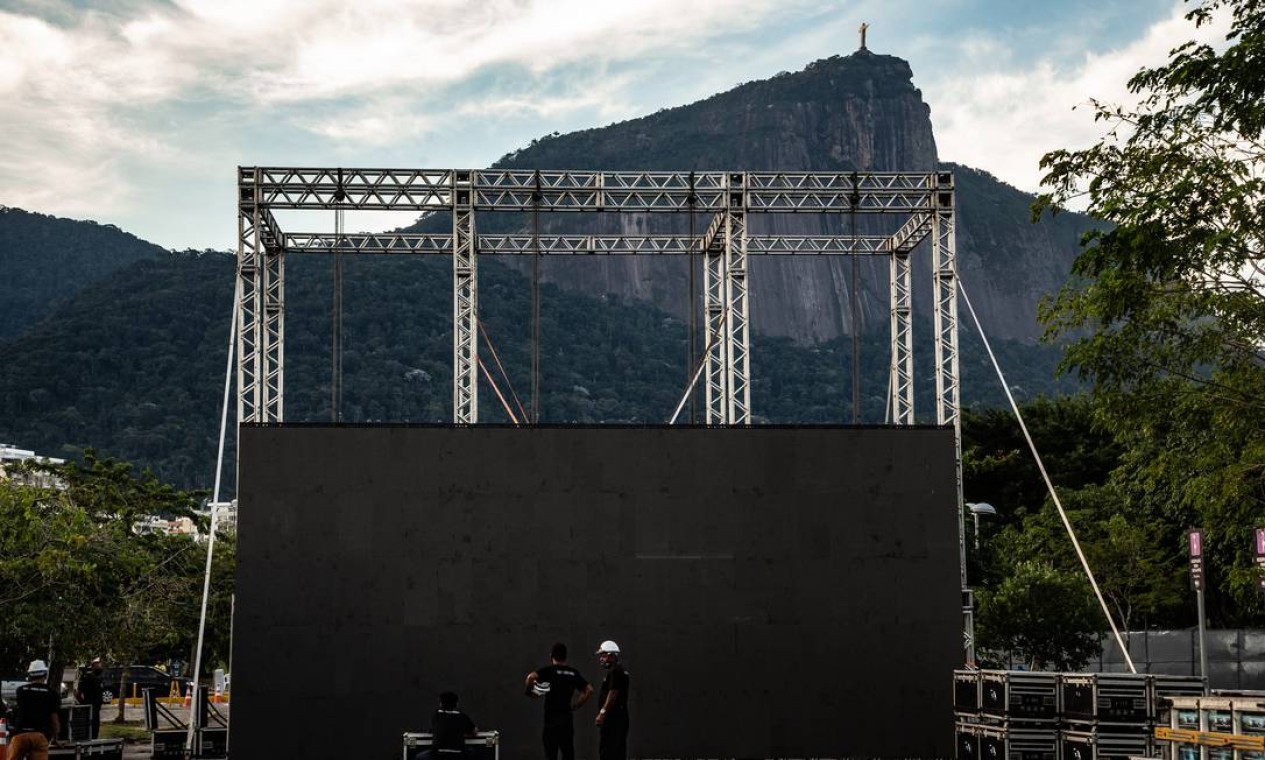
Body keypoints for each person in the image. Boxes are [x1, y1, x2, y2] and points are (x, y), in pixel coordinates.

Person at [524, 642, 593, 760]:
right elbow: (589, 690)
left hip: (551, 721)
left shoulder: (549, 671)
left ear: (551, 656)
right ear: (565, 657)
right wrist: (576, 705)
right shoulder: (573, 673)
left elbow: (531, 677)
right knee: (568, 753)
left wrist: (530, 692)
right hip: (566, 720)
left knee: (551, 754)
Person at [7, 659, 61, 760]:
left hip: (20, 735)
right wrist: (55, 735)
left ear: (30, 675)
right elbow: (54, 718)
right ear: (45, 675)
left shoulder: (21, 691)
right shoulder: (51, 693)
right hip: (39, 736)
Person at [594, 640, 630, 760]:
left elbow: (613, 692)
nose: (601, 659)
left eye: (602, 655)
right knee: (619, 752)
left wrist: (602, 713)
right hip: (621, 717)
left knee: (607, 752)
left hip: (613, 719)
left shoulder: (614, 671)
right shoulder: (621, 670)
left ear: (610, 655)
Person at [416, 691, 476, 760]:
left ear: (441, 704)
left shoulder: (436, 715)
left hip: (438, 755)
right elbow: (474, 731)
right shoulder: (462, 716)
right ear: (456, 704)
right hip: (458, 755)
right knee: (472, 752)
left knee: (419, 757)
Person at [75, 658, 104, 740]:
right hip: (89, 709)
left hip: (97, 709)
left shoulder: (98, 679)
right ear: (92, 666)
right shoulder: (86, 679)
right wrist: (84, 704)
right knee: (89, 731)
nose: (99, 667)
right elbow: (78, 694)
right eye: (97, 665)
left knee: (95, 730)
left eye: (100, 665)